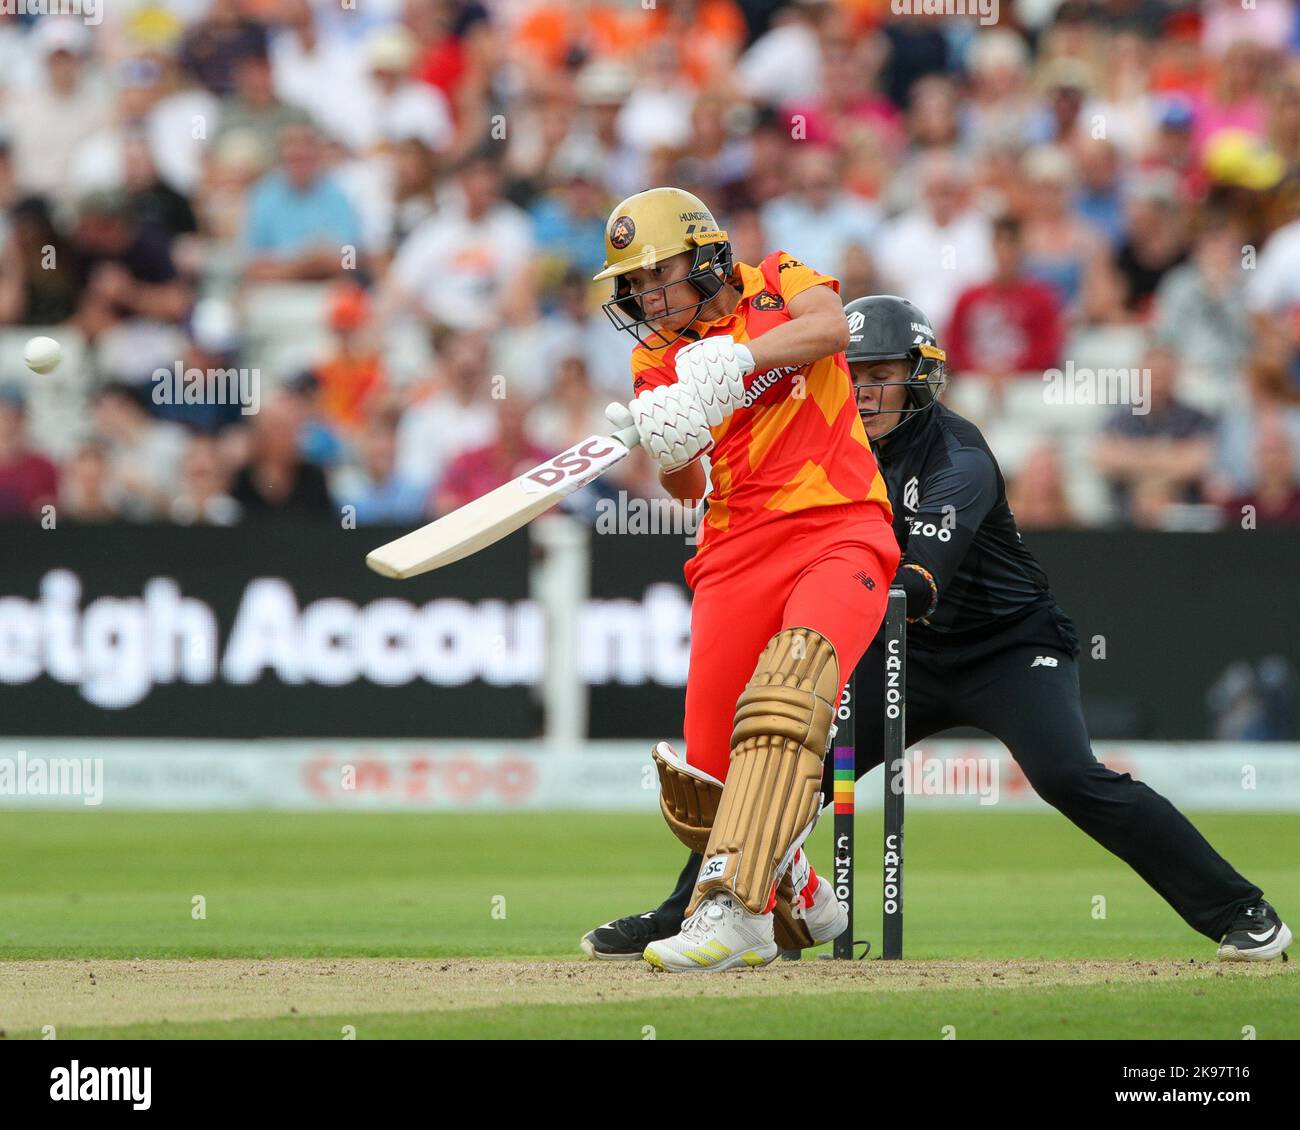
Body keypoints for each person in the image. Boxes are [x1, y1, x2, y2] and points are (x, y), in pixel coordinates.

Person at [583, 293, 1292, 965]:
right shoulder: (829, 452)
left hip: (1007, 649)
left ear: (920, 377)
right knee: (781, 764)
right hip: (902, 657)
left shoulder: (960, 454)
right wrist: (673, 439)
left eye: (881, 377)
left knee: (1069, 775)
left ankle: (1241, 910)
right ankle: (691, 912)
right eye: (851, 376)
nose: (861, 392)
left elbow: (918, 579)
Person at [589, 187, 899, 972]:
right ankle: (786, 881)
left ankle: (727, 912)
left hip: (839, 526)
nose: (645, 298)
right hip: (733, 549)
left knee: (788, 696)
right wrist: (669, 450)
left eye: (657, 275)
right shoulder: (652, 357)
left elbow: (833, 329)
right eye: (634, 285)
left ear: (707, 254)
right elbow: (690, 490)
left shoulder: (781, 280)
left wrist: (742, 357)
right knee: (701, 778)